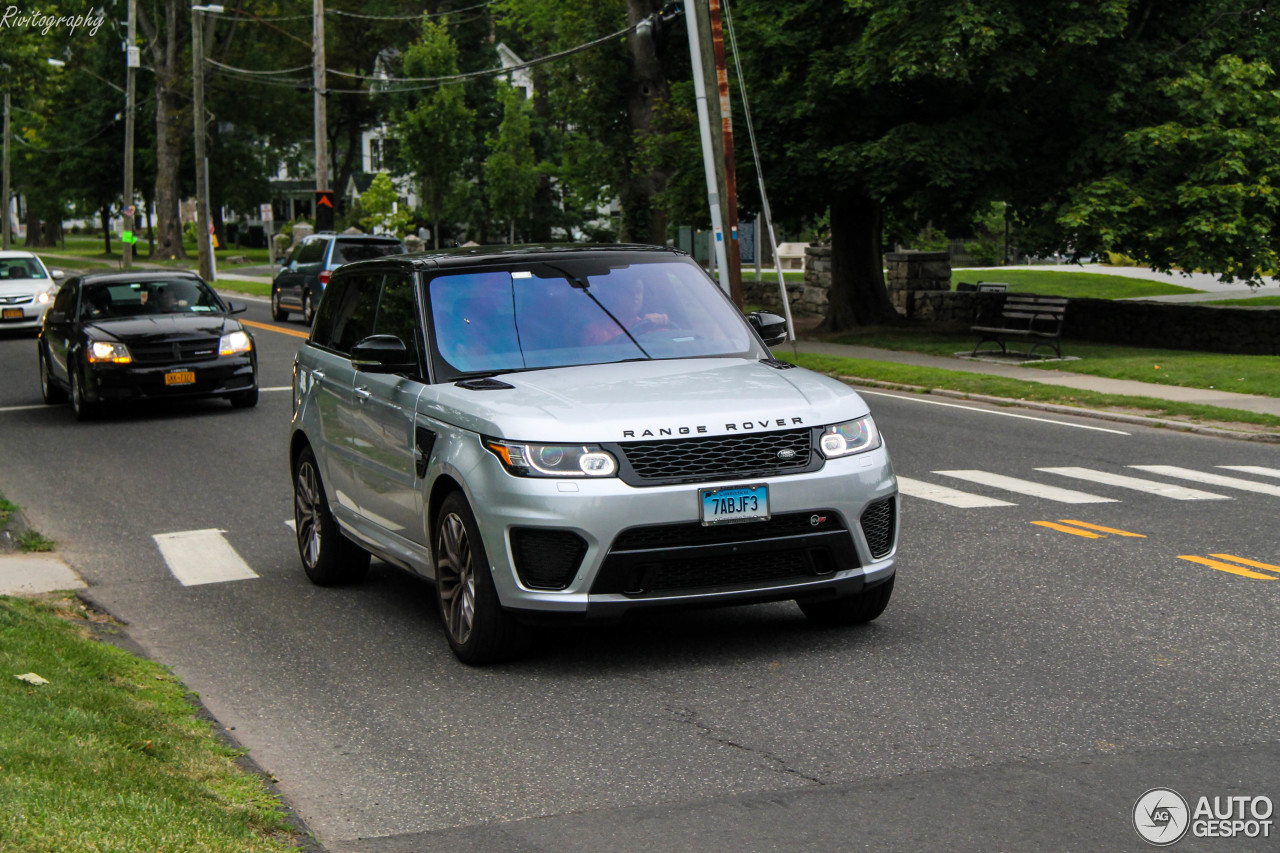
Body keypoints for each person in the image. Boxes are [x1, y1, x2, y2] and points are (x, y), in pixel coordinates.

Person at [581, 277, 669, 345]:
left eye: (638, 291)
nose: (635, 295)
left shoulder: (652, 326)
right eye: (628, 291)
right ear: (615, 296)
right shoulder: (594, 331)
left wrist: (658, 324)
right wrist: (639, 332)